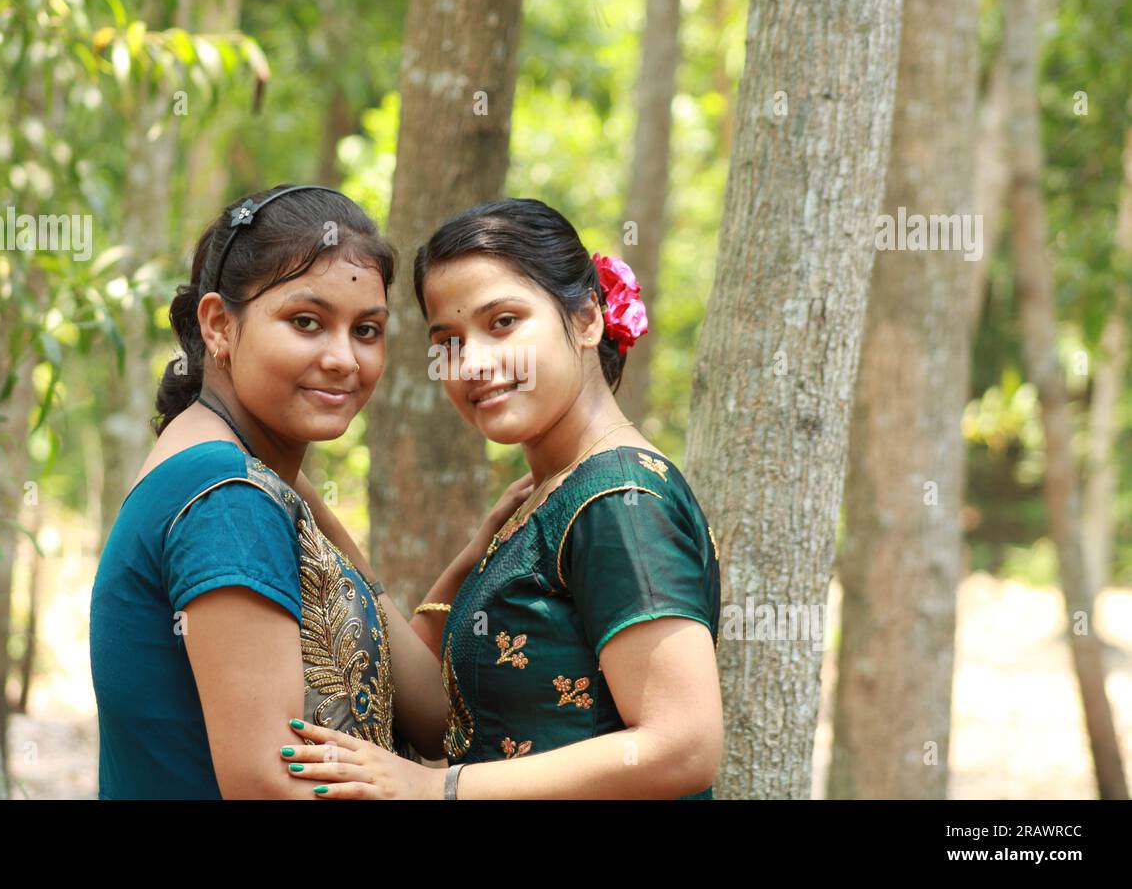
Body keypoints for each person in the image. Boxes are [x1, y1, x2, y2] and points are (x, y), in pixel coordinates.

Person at [88, 184, 530, 798]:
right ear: (219, 324)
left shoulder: (242, 474)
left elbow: (431, 720)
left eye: (368, 330)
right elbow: (271, 783)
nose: (344, 359)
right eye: (306, 322)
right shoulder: (225, 497)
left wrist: (479, 554)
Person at [281, 197, 723, 799]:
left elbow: (686, 745)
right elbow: (445, 719)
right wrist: (297, 487)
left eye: (503, 322)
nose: (476, 363)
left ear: (588, 318)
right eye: (451, 341)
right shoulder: (549, 498)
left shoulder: (620, 499)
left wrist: (432, 789)